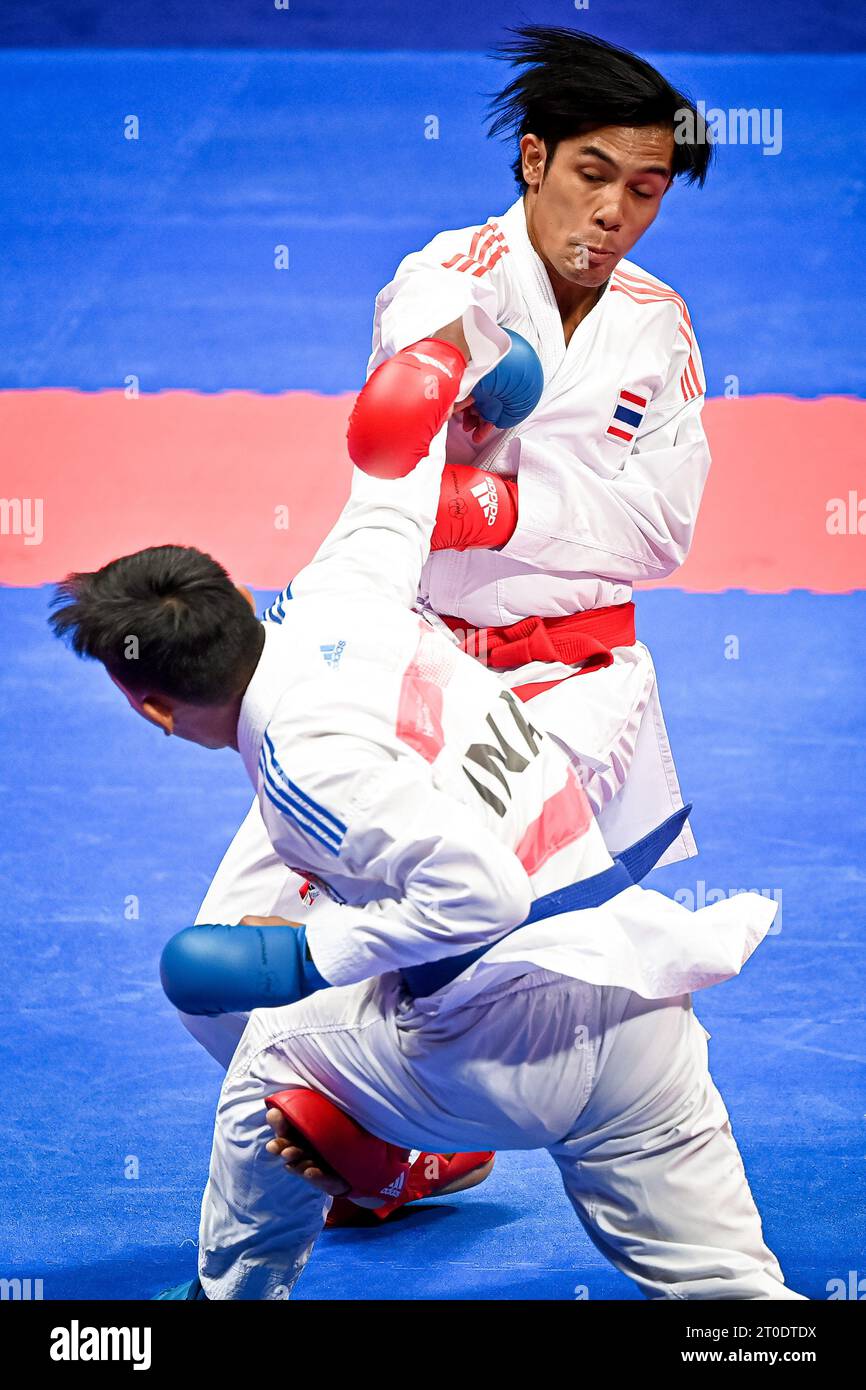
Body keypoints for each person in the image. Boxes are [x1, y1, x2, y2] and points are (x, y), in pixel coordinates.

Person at [49, 429, 803, 1301]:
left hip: (509, 1050)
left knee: (268, 1053)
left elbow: (483, 891)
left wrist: (308, 956)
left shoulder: (304, 769)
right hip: (643, 997)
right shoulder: (341, 592)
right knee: (737, 1304)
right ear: (237, 600)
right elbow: (395, 484)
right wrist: (450, 374)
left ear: (153, 711)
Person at [186, 28, 716, 1102]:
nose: (614, 212)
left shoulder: (657, 328)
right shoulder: (450, 272)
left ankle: (618, 1133)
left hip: (567, 685)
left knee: (500, 963)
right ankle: (396, 1162)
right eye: (591, 175)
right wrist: (434, 368)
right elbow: (413, 373)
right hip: (405, 674)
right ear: (533, 161)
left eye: (646, 189)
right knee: (220, 972)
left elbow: (661, 531)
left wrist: (496, 507)